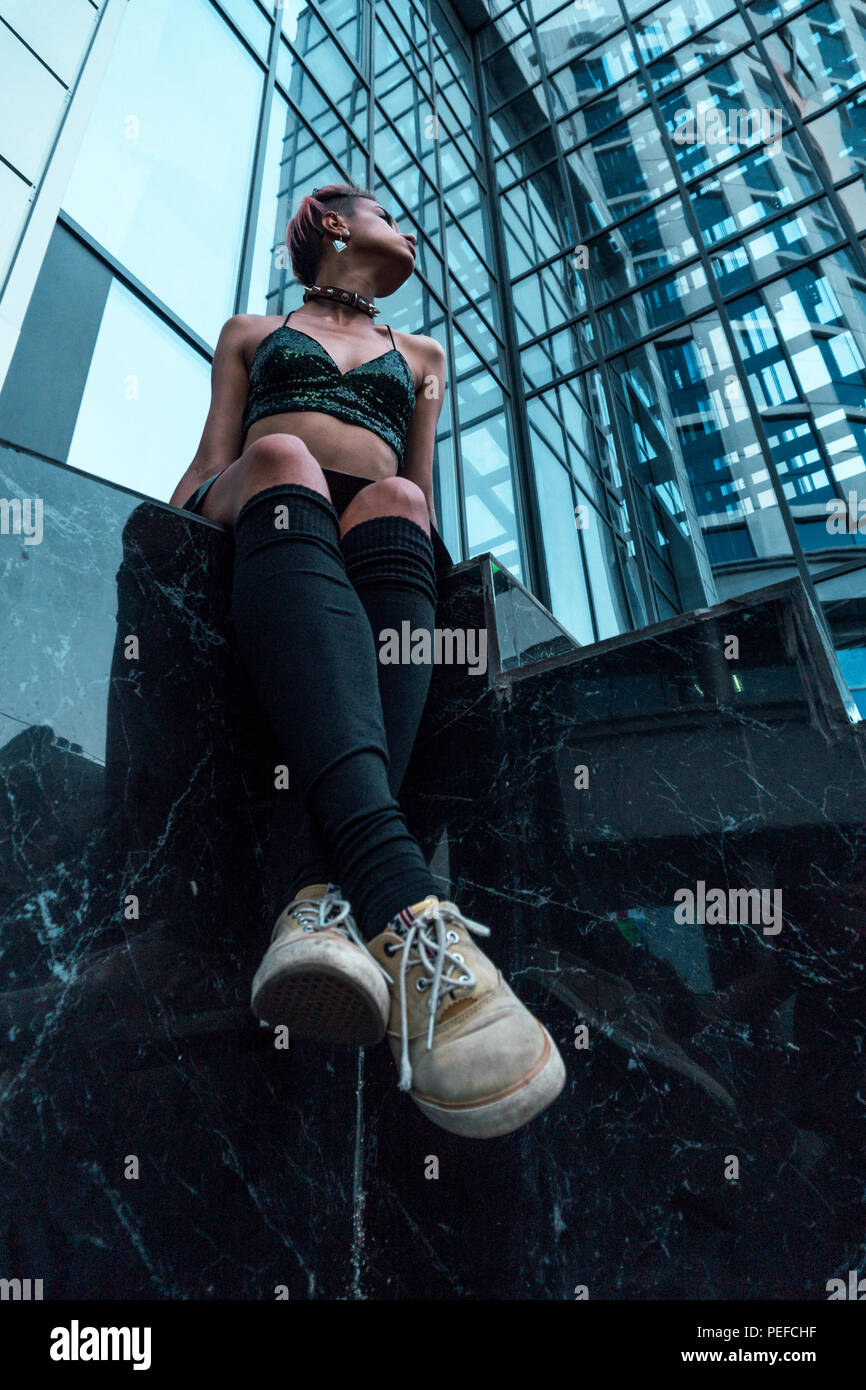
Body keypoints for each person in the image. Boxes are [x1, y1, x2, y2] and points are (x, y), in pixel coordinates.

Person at [168, 184, 564, 1138]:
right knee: (283, 458)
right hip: (261, 502)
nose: (413, 229)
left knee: (397, 501)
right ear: (336, 225)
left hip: (370, 541)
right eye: (392, 212)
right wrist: (155, 544)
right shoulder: (251, 333)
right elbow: (208, 459)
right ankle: (403, 899)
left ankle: (320, 907)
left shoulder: (422, 357)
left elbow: (418, 487)